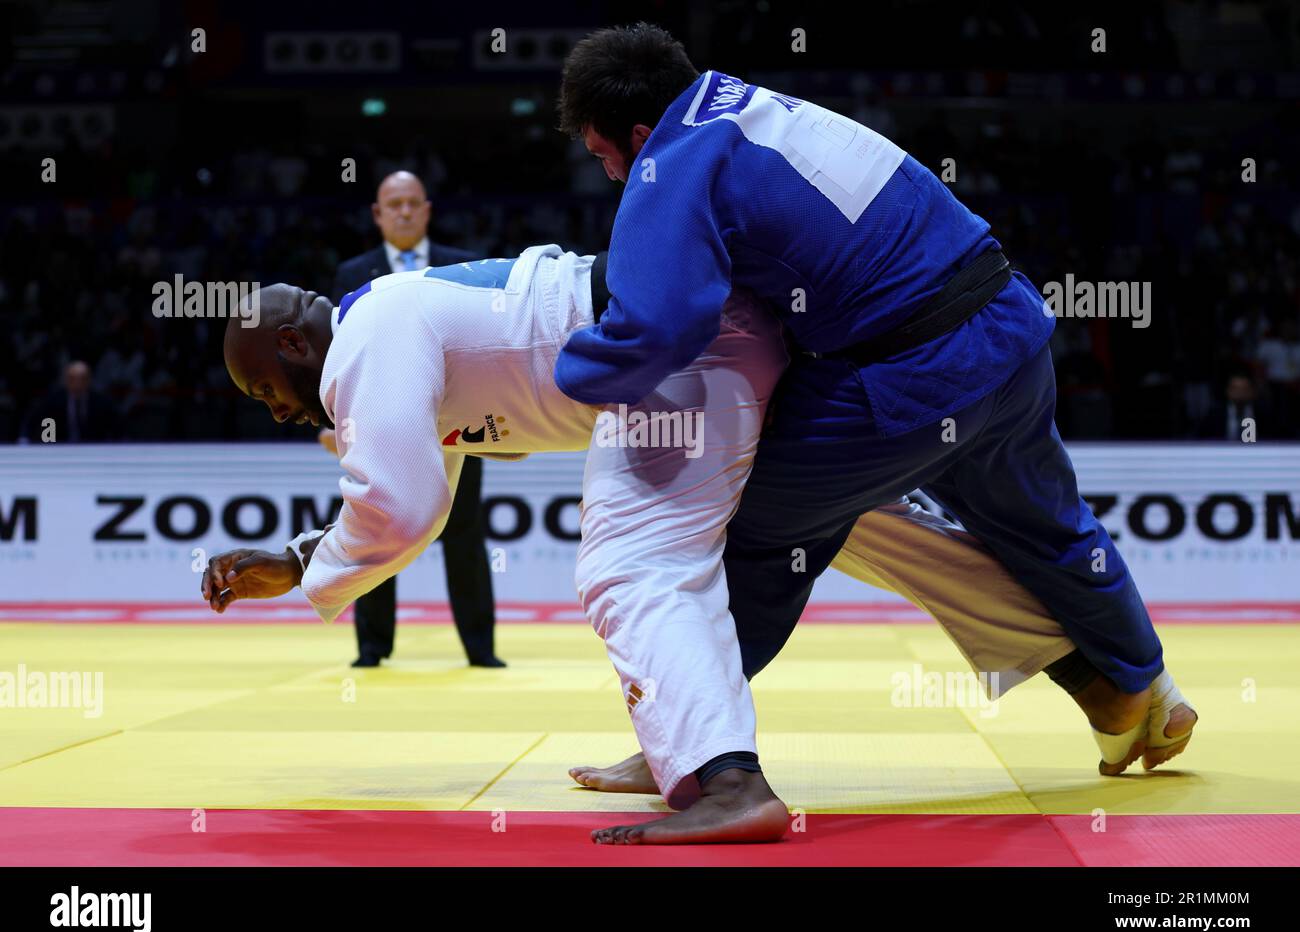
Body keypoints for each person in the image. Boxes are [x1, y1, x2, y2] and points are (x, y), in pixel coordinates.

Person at [199, 246, 1183, 845]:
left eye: (261, 390)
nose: (278, 412)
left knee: (627, 558)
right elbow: (426, 488)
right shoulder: (397, 323)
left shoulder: (363, 341)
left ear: (292, 344)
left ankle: (718, 770)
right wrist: (308, 548)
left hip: (673, 355)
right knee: (858, 522)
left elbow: (404, 507)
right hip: (706, 335)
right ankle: (1116, 683)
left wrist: (305, 569)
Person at [552, 24, 1196, 841]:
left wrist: (561, 381)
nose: (610, 171)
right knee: (1050, 524)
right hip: (1010, 326)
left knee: (751, 525)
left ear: (638, 132)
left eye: (605, 153)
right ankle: (1148, 685)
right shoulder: (754, 106)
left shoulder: (670, 161)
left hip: (909, 379)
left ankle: (698, 752)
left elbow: (657, 331)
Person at [329, 170, 500, 668]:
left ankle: (481, 649)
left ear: (426, 209)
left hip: (455, 421)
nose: (403, 212)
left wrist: (496, 418)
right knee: (375, 526)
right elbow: (340, 354)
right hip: (379, 426)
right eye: (393, 204)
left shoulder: (461, 266)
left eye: (411, 203)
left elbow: (482, 345)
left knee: (464, 531)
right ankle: (372, 648)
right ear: (378, 214)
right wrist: (333, 423)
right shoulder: (351, 275)